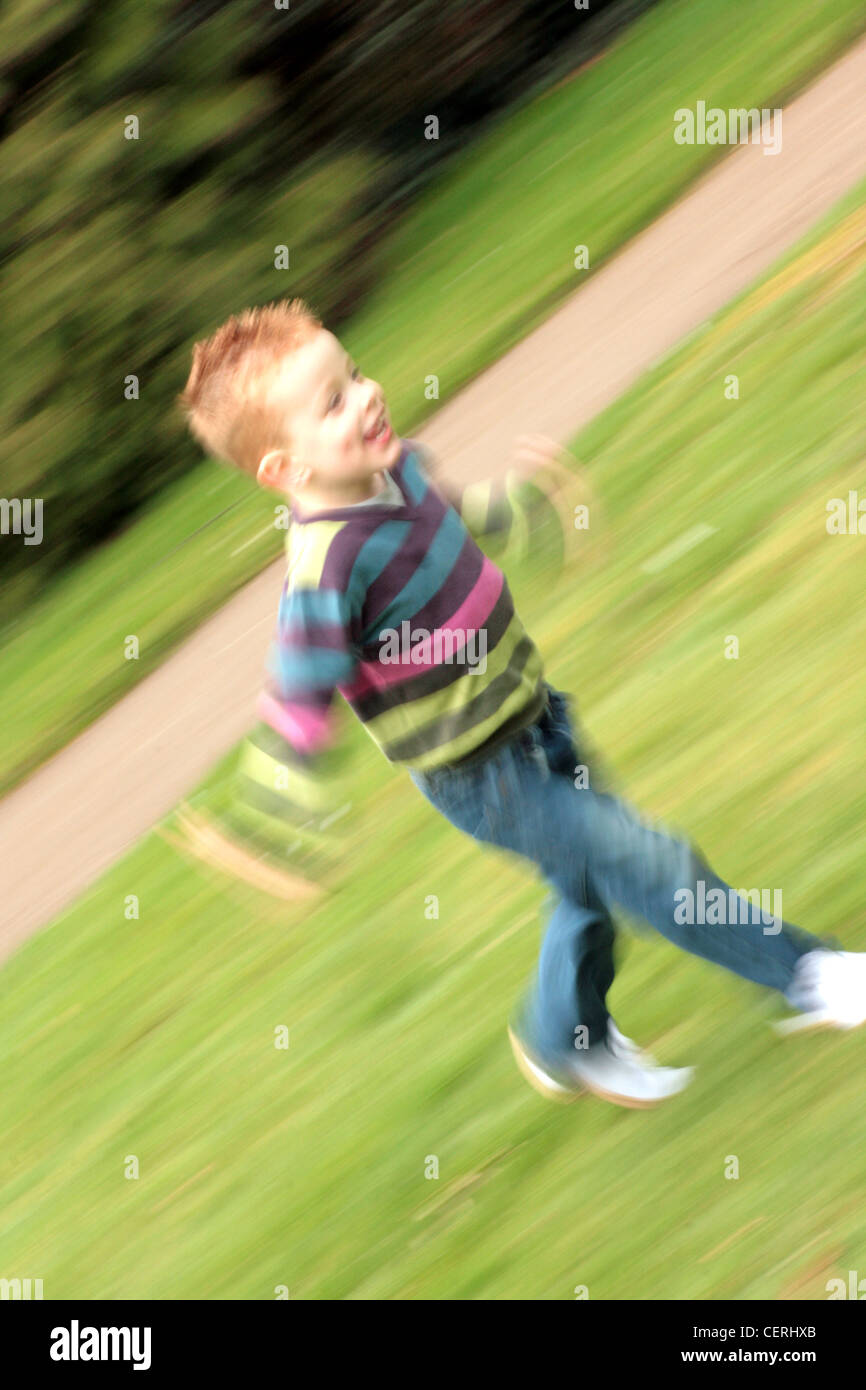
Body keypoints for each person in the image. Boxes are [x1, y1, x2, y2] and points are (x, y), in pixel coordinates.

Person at [180, 297, 866, 1110]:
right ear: (284, 470)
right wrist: (276, 812)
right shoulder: (325, 565)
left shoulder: (396, 470)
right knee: (651, 862)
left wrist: (526, 508)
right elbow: (299, 690)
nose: (365, 396)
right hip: (483, 779)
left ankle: (561, 1038)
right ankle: (808, 978)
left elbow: (461, 517)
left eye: (354, 374)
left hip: (537, 717)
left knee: (589, 887)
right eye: (331, 402)